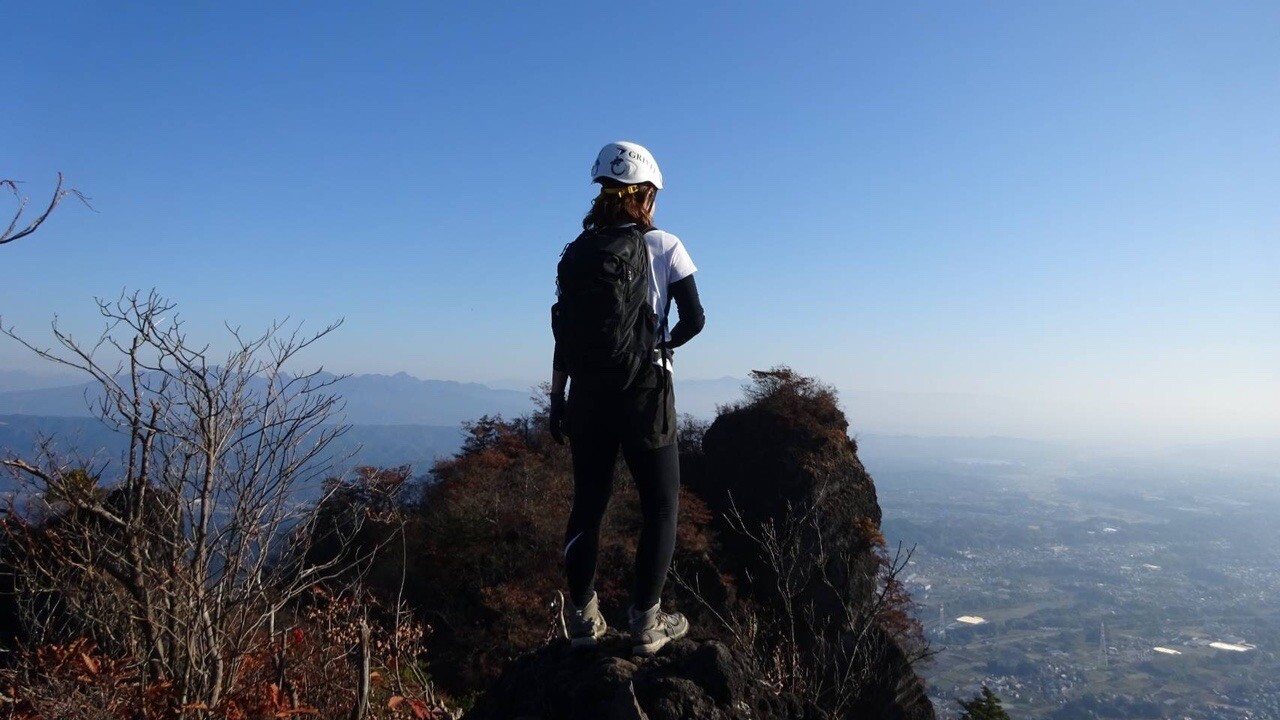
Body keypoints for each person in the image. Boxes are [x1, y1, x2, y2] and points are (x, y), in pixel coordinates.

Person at [548, 141, 705, 656]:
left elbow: (564, 331)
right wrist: (661, 348)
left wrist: (558, 398)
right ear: (648, 194)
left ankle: (582, 621)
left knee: (587, 506)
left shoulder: (577, 251)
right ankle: (645, 623)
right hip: (645, 395)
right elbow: (695, 319)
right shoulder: (666, 245)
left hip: (587, 396)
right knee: (660, 508)